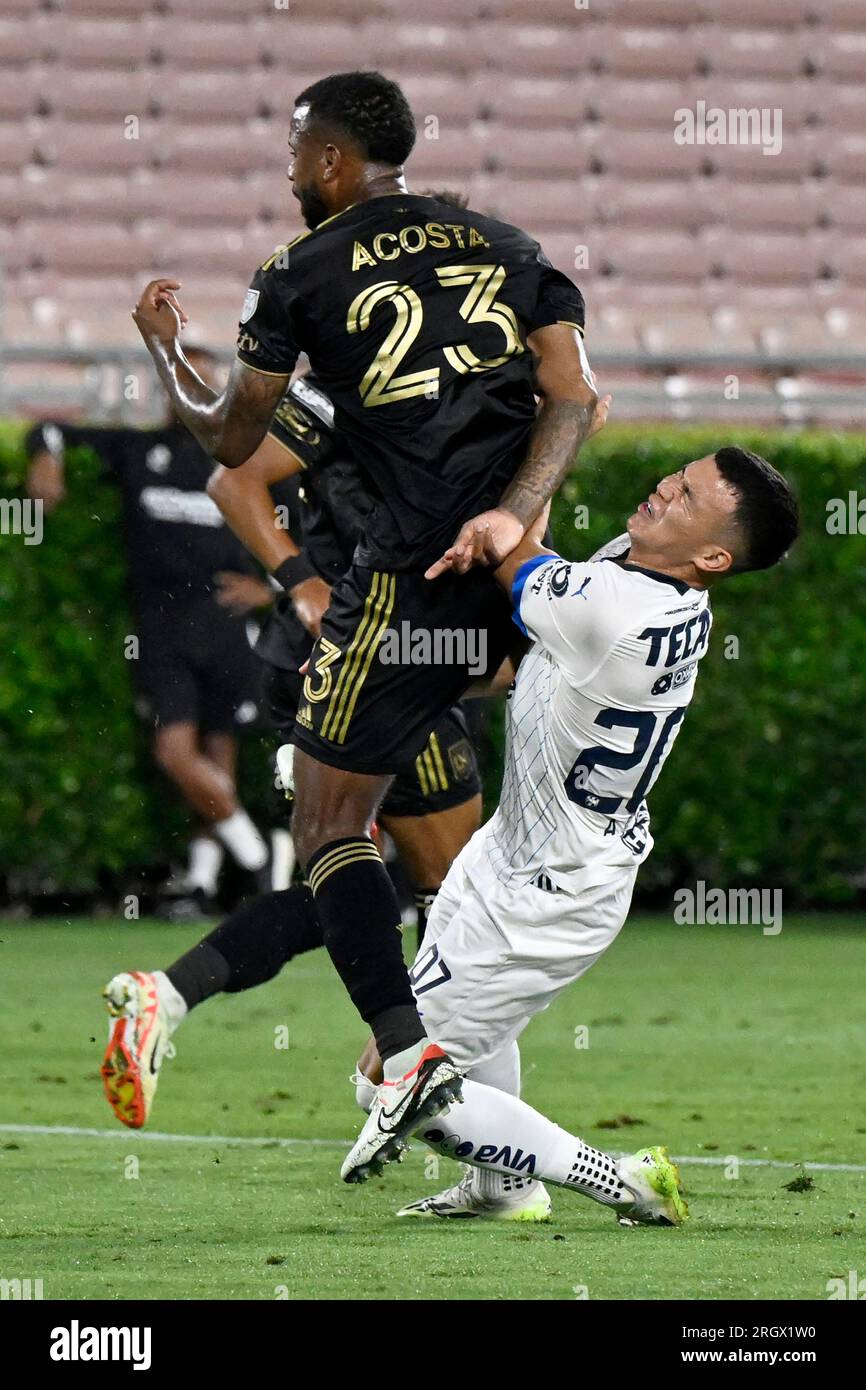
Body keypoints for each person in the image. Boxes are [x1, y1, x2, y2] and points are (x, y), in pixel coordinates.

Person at [130, 69, 598, 1174]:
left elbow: (227, 449)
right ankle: (483, 1155)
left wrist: (162, 343)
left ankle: (407, 1065)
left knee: (347, 838)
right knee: (444, 883)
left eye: (297, 152)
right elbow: (575, 395)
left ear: (332, 161)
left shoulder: (302, 279)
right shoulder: (506, 245)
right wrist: (511, 516)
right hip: (509, 595)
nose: (291, 171)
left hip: (389, 605)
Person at [340, 445, 800, 1226]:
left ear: (714, 556)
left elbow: (509, 543)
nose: (663, 489)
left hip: (549, 890)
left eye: (686, 497)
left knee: (390, 1077)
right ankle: (503, 1188)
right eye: (676, 476)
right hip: (520, 852)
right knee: (473, 1031)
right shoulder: (643, 579)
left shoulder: (615, 607)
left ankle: (620, 1178)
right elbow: (531, 599)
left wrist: (552, 419)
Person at [99, 367, 491, 1131]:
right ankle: (435, 1104)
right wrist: (301, 582)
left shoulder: (401, 377)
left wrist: (165, 348)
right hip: (377, 659)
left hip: (347, 660)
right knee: (452, 899)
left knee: (352, 884)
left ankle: (169, 996)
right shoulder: (375, 380)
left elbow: (228, 440)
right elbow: (233, 479)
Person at [25, 348, 272, 917]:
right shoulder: (137, 450)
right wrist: (44, 457)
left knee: (218, 756)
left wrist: (273, 591)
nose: (193, 396)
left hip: (229, 628)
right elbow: (50, 428)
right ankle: (258, 856)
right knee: (175, 753)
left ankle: (205, 885)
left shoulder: (247, 463)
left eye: (206, 386)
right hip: (161, 630)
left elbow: (309, 531)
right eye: (182, 384)